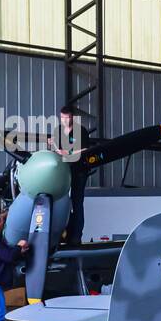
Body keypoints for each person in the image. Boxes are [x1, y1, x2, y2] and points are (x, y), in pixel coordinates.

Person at [49, 105, 95, 246]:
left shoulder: (80, 131)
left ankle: (76, 236)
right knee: (61, 201)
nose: (64, 120)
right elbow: (57, 151)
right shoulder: (58, 131)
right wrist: (53, 145)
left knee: (77, 202)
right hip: (63, 170)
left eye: (67, 118)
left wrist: (67, 153)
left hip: (79, 170)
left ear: (72, 117)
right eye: (62, 118)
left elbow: (85, 150)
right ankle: (62, 233)